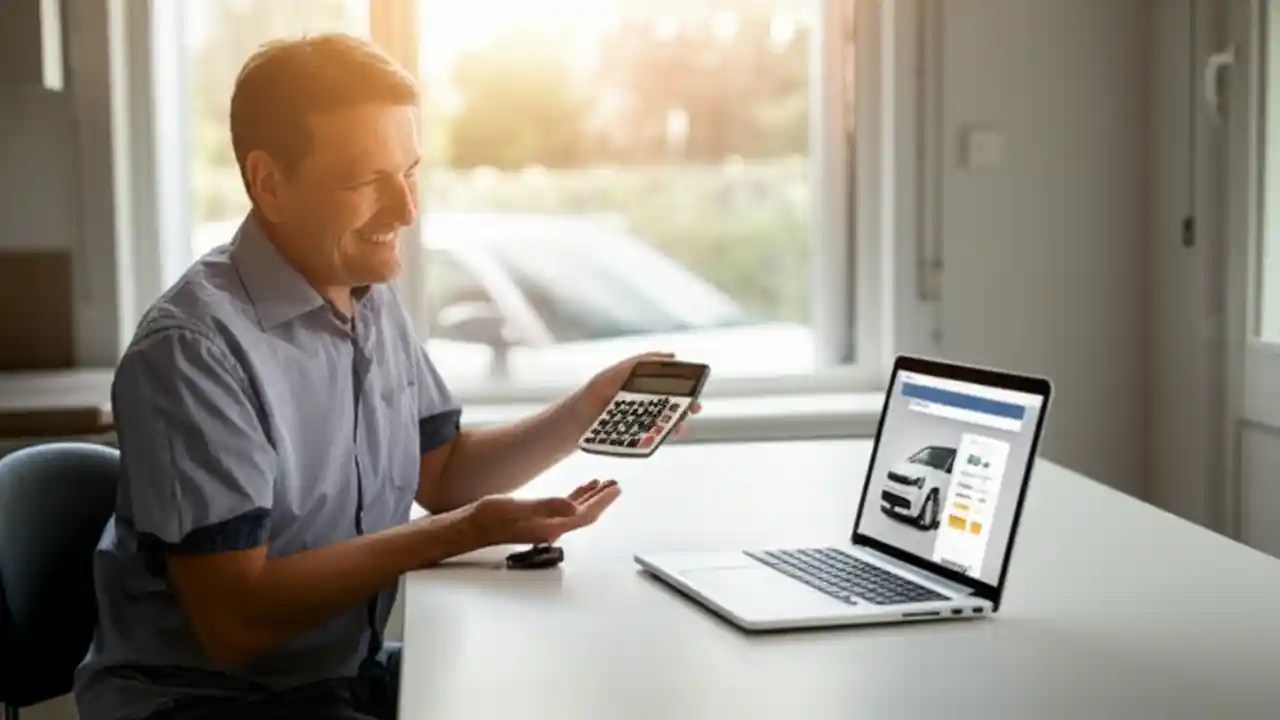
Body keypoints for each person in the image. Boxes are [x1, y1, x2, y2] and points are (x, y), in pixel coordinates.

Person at [73, 34, 697, 720]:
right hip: (208, 703)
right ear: (270, 183)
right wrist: (464, 531)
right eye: (367, 181)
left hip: (335, 677)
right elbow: (236, 623)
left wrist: (586, 407)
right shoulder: (192, 353)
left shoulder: (365, 298)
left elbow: (444, 470)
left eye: (410, 173)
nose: (405, 209)